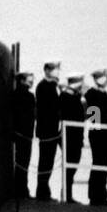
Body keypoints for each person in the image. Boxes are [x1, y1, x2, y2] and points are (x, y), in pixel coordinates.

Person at [84, 69, 107, 207]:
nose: (104, 80)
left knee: (105, 165)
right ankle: (94, 196)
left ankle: (102, 195)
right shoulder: (91, 93)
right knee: (98, 164)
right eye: (101, 78)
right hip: (97, 133)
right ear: (96, 79)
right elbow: (93, 113)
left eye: (105, 77)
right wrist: (98, 126)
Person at [34, 61, 62, 201]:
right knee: (45, 161)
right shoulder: (43, 87)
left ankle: (48, 191)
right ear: (47, 70)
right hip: (47, 132)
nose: (57, 72)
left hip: (55, 132)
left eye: (57, 69)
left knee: (49, 162)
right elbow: (47, 110)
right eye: (54, 69)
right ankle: (42, 192)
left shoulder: (55, 87)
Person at [60, 73, 86, 203]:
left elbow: (90, 115)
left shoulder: (79, 98)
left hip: (77, 138)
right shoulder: (64, 97)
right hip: (68, 138)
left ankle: (67, 194)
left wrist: (96, 126)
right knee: (69, 167)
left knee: (73, 166)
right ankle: (66, 195)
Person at [12, 70, 35, 199]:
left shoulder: (28, 96)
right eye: (29, 79)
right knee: (21, 163)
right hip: (21, 134)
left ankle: (22, 189)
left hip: (26, 134)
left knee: (24, 163)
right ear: (21, 80)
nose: (31, 81)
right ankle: (20, 190)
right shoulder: (18, 96)